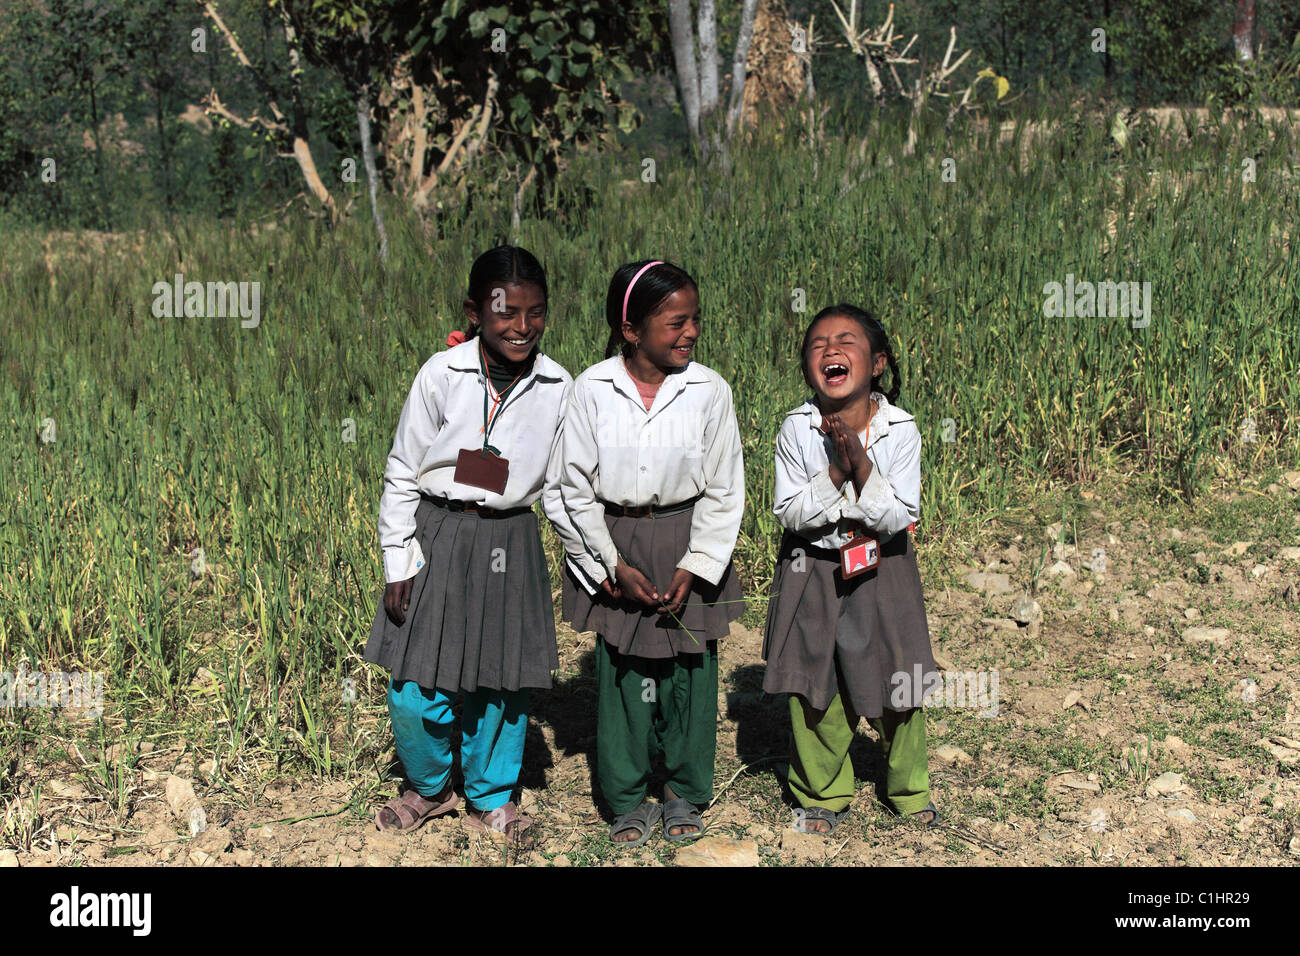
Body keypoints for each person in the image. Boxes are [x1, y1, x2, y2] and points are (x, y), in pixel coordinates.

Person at [364, 245, 572, 841]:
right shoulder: (441, 372)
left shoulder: (560, 386)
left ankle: (491, 796)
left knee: (501, 683)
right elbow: (403, 468)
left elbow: (558, 487)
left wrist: (589, 561)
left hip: (512, 539)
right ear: (474, 311)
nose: (522, 326)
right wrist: (398, 558)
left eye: (536, 312)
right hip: (438, 534)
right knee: (413, 688)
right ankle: (430, 788)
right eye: (505, 311)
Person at [543, 259, 744, 845]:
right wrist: (608, 563)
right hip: (617, 542)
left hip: (687, 537)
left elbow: (725, 487)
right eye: (676, 322)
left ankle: (684, 790)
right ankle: (627, 796)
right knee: (626, 673)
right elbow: (569, 488)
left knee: (690, 670)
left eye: (695, 320)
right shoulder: (592, 389)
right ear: (630, 330)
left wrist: (697, 564)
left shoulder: (709, 390)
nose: (690, 333)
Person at [763, 303, 939, 834]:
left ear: (878, 362)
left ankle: (909, 788)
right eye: (817, 343)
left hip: (885, 568)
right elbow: (791, 512)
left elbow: (897, 516)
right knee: (815, 681)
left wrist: (861, 466)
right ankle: (821, 792)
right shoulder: (796, 430)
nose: (831, 350)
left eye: (846, 341)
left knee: (898, 680)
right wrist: (836, 473)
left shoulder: (900, 431)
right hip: (810, 569)